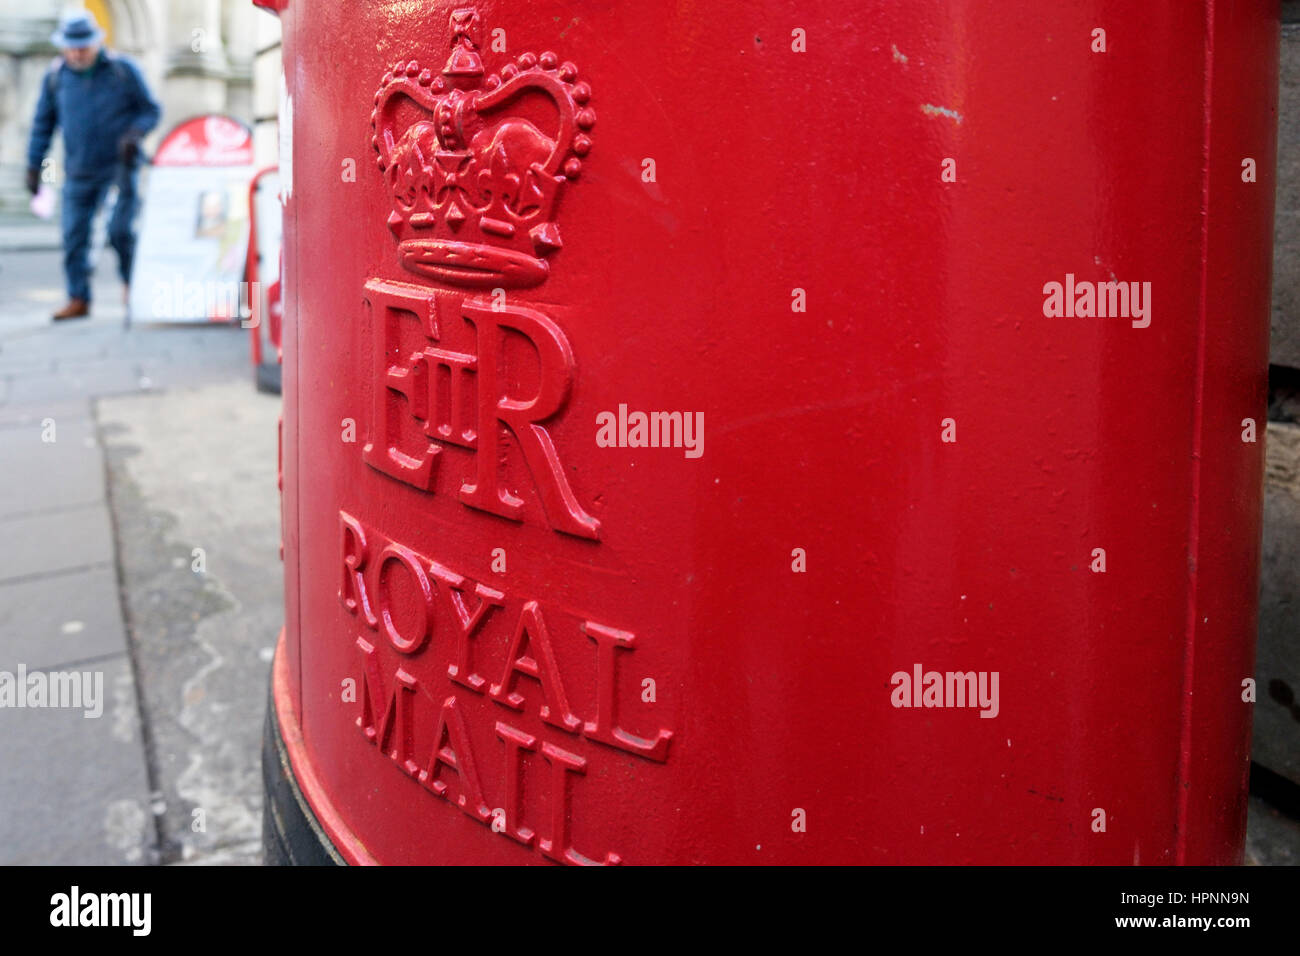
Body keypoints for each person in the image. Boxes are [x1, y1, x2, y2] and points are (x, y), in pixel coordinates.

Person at [25, 11, 161, 321]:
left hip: (120, 167)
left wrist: (135, 133)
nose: (76, 53)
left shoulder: (123, 70)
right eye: (70, 47)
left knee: (121, 232)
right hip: (79, 169)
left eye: (83, 46)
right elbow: (42, 126)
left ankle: (133, 288)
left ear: (97, 43)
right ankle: (78, 298)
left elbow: (151, 110)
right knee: (74, 235)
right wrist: (34, 166)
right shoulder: (56, 77)